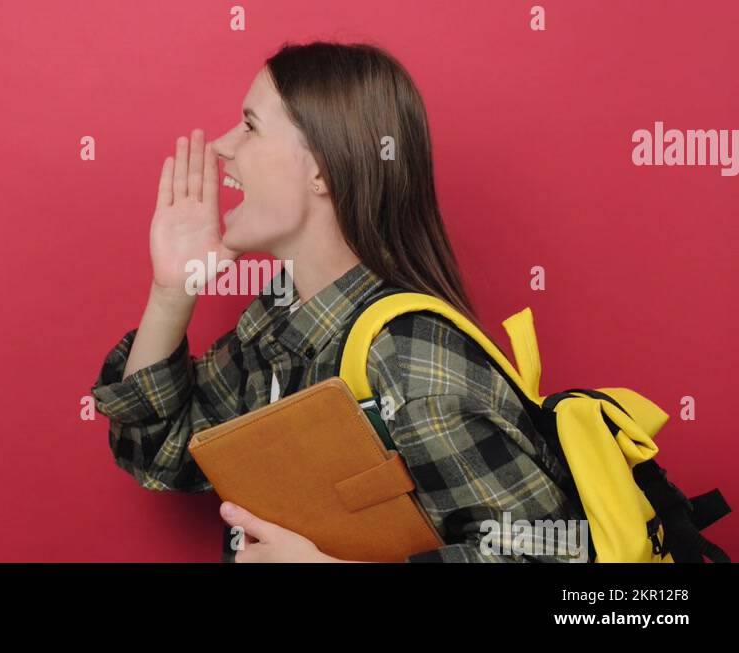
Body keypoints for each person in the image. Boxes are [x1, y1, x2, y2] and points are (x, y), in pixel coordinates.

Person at [91, 41, 585, 562]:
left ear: (323, 171)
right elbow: (157, 453)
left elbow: (555, 560)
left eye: (251, 126)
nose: (221, 145)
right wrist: (173, 292)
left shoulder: (409, 354)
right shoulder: (280, 321)